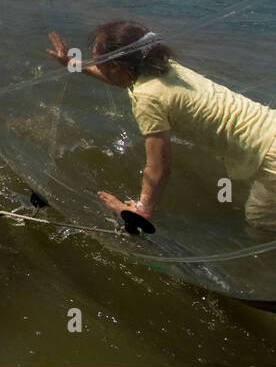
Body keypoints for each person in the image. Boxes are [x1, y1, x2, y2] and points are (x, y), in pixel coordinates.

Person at [46, 20, 276, 230]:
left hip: (269, 158)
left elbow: (159, 167)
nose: (95, 62)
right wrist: (72, 64)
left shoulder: (148, 98)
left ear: (116, 65)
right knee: (259, 215)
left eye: (98, 59)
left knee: (260, 224)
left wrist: (140, 211)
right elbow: (120, 78)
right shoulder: (162, 65)